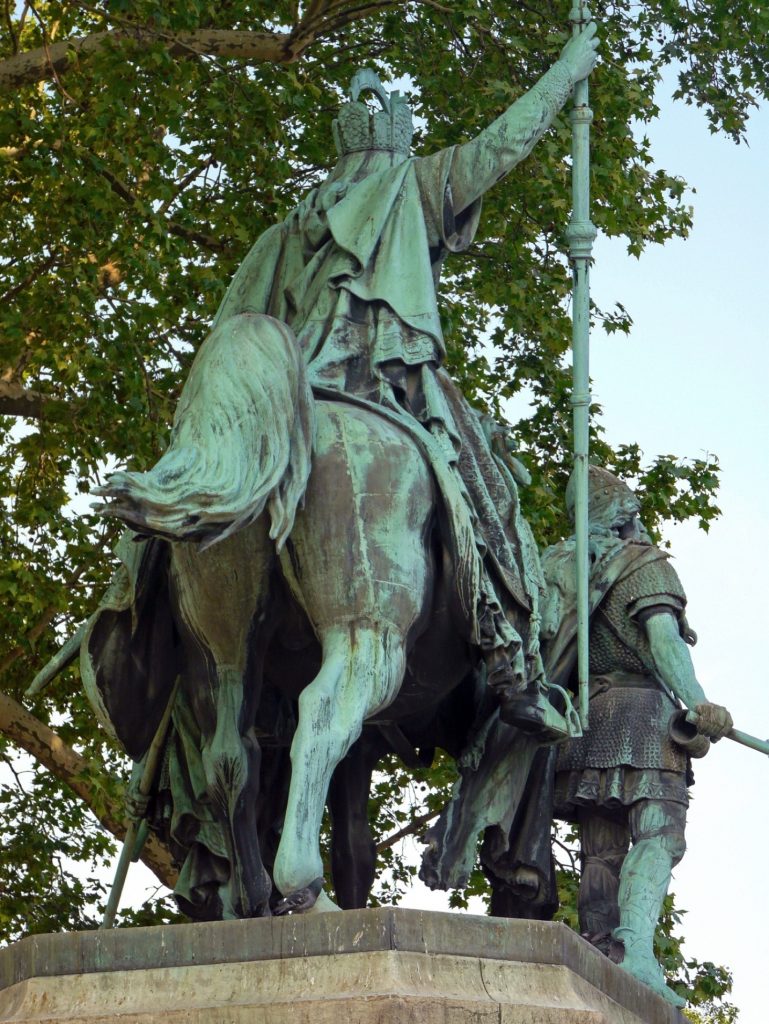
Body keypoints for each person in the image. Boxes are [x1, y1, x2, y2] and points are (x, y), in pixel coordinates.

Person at [100, 28, 599, 733]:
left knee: (181, 516)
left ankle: (137, 604)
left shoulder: (284, 230)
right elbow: (502, 143)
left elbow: (231, 329)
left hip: (287, 401)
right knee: (491, 497)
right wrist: (567, 69)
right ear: (394, 146)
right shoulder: (413, 184)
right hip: (388, 388)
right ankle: (509, 658)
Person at [540, 466, 733, 1006]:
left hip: (584, 720)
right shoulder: (643, 564)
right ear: (626, 516)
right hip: (642, 719)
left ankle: (600, 948)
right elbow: (665, 640)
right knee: (661, 836)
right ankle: (636, 952)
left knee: (601, 847)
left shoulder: (555, 565)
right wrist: (698, 703)